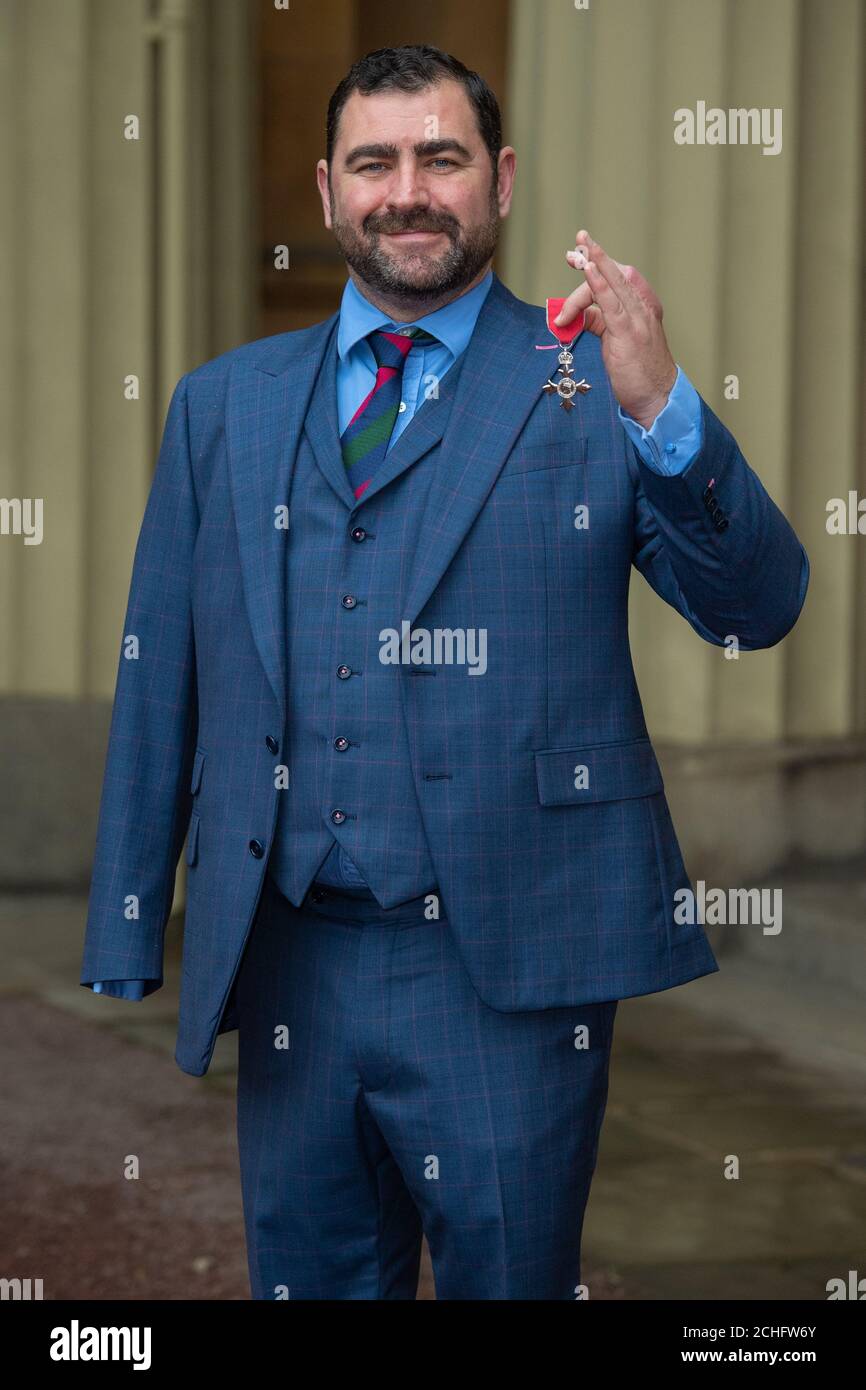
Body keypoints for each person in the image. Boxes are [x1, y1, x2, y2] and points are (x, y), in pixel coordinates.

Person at [80, 44, 809, 1300]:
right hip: (289, 946)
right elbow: (163, 673)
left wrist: (664, 407)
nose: (406, 190)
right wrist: (129, 918)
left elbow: (756, 606)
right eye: (374, 162)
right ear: (325, 191)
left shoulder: (588, 383)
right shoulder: (223, 407)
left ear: (501, 179)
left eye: (441, 158)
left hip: (510, 962)